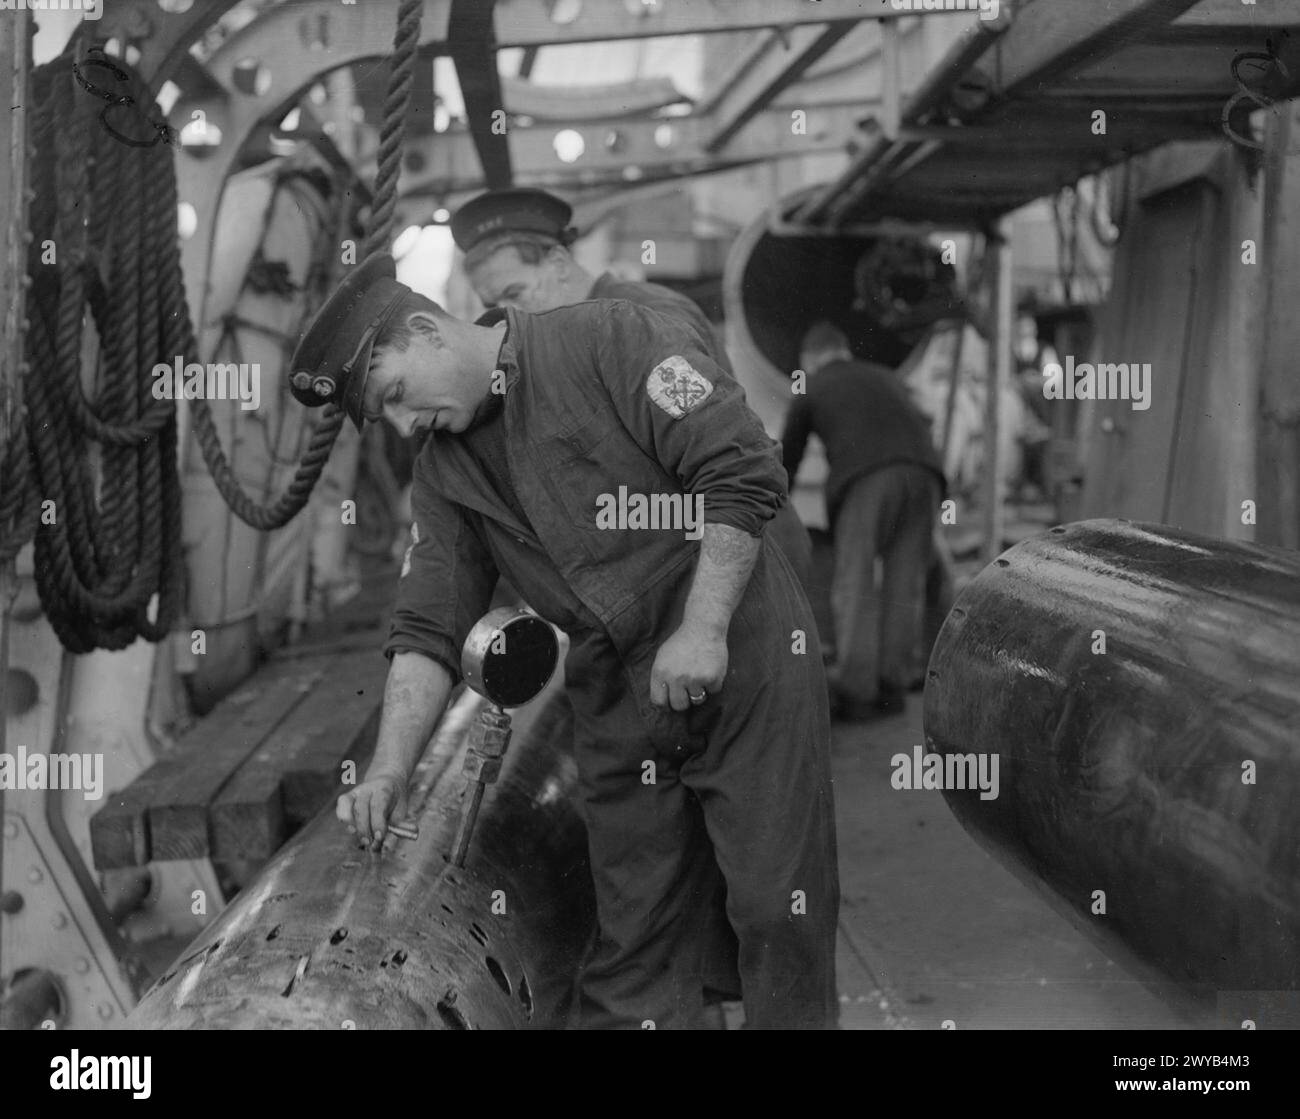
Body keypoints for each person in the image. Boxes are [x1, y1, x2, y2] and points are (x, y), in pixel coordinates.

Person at [288, 253, 840, 1029]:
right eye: (388, 418)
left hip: (740, 648)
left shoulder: (611, 339)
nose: (407, 425)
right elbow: (428, 625)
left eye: (396, 395)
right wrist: (388, 770)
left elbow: (741, 470)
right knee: (635, 936)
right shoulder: (445, 475)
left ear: (423, 330)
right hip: (616, 686)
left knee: (776, 910)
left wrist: (704, 627)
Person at [450, 187, 813, 592]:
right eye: (493, 305)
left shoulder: (647, 315)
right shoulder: (561, 340)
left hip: (740, 551)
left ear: (557, 262)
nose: (507, 317)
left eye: (514, 294)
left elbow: (713, 455)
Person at [781, 321, 946, 721]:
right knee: (905, 584)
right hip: (925, 475)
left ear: (810, 359)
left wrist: (772, 507)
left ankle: (857, 692)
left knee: (854, 581)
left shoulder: (812, 385)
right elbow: (923, 421)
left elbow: (789, 454)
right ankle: (892, 684)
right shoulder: (884, 375)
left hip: (867, 481)